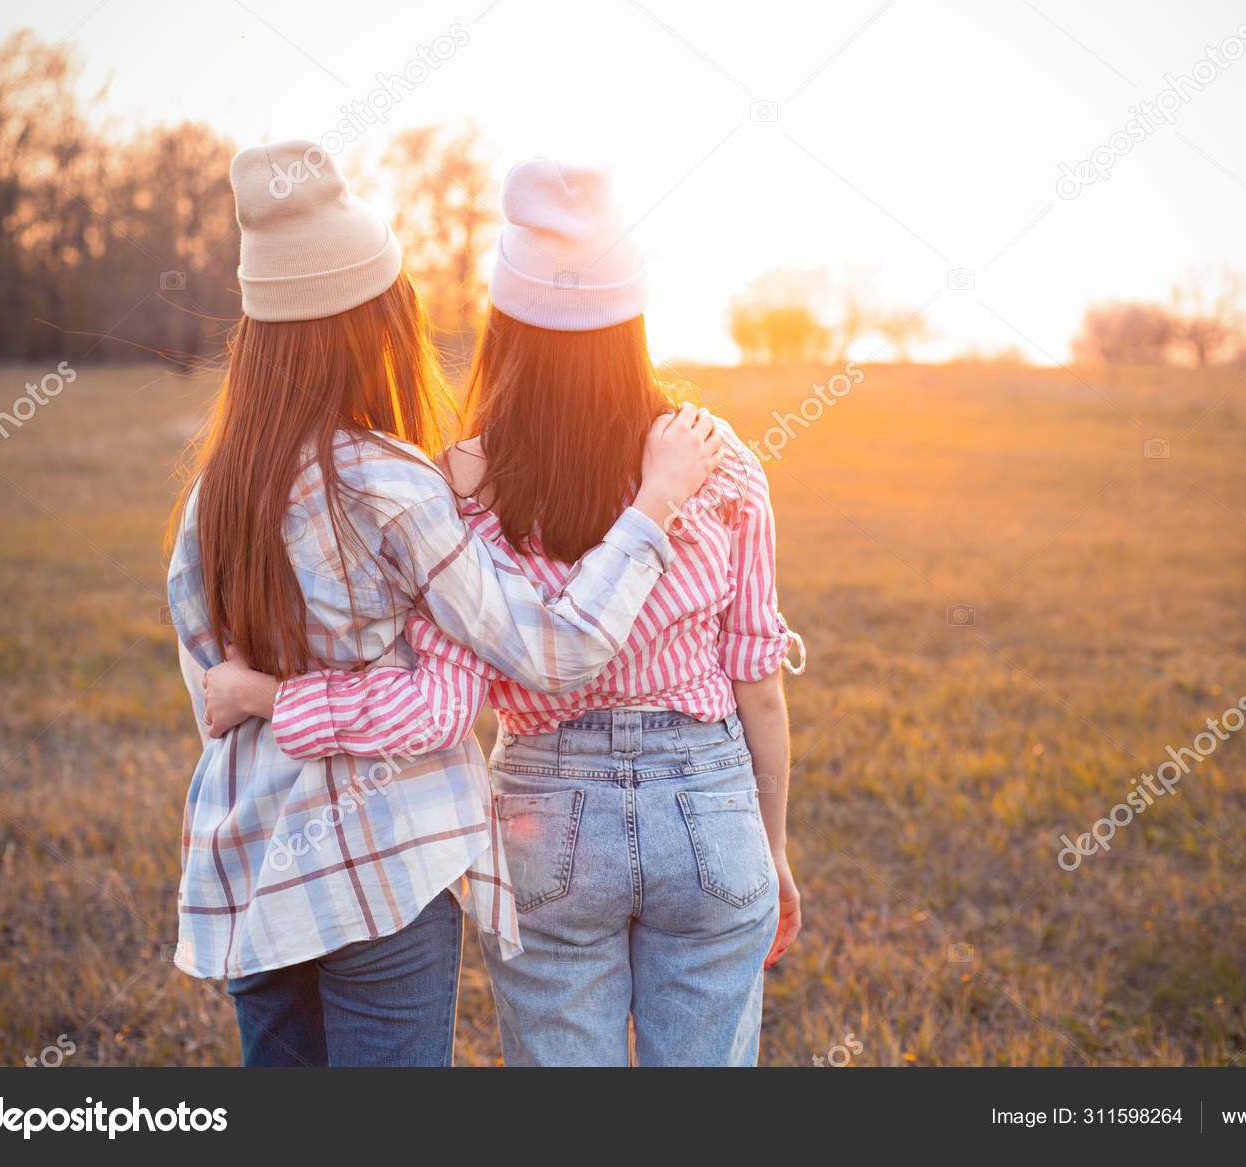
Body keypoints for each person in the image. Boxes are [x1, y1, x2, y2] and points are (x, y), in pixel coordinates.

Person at [204, 159, 803, 1066]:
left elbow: (458, 683)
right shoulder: (718, 466)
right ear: (635, 320)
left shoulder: (461, 492)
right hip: (711, 801)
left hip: (546, 820)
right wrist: (772, 842)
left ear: (503, 326)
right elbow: (757, 681)